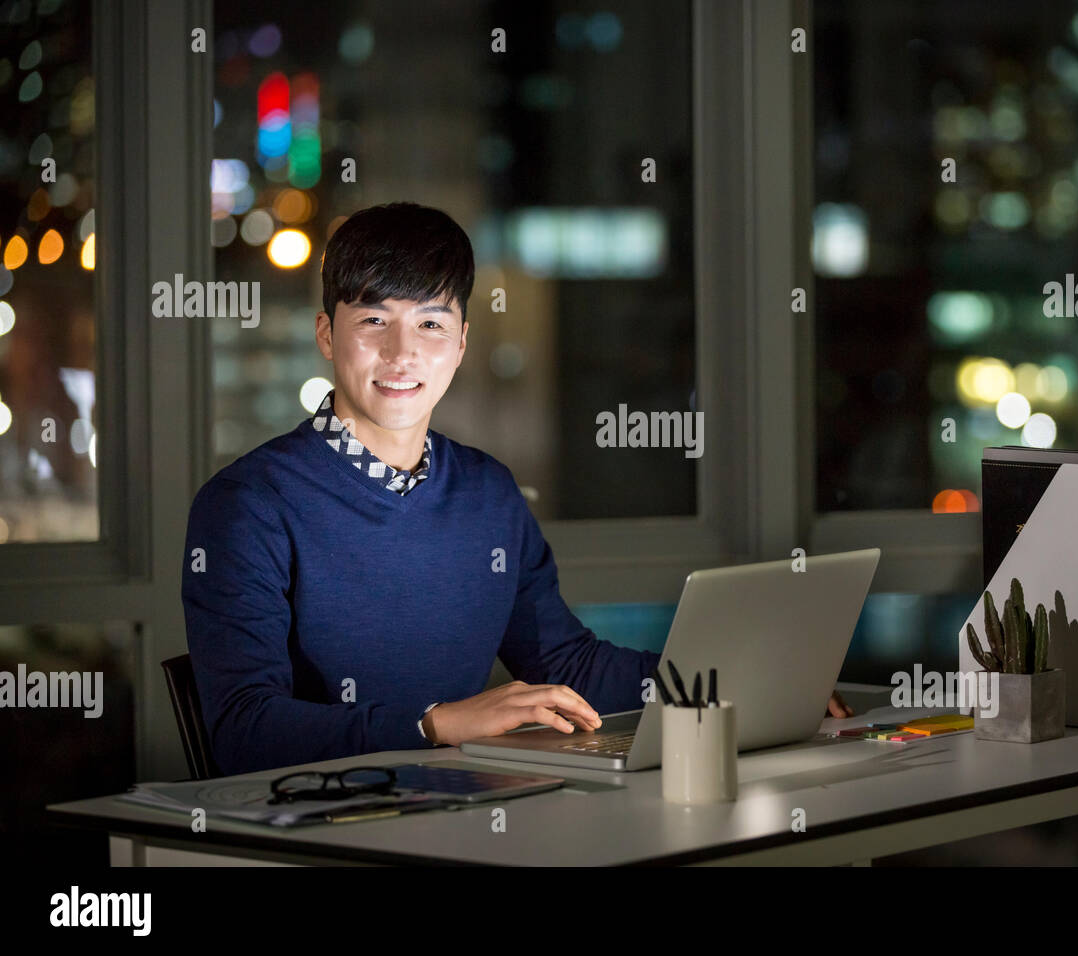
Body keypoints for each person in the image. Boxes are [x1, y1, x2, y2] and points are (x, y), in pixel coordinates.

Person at [182, 201, 849, 777]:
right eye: (373, 322)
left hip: (461, 813)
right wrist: (434, 725)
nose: (402, 355)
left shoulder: (486, 493)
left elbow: (568, 662)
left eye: (431, 325)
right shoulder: (248, 506)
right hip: (319, 832)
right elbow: (244, 731)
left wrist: (735, 685)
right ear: (328, 334)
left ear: (463, 342)